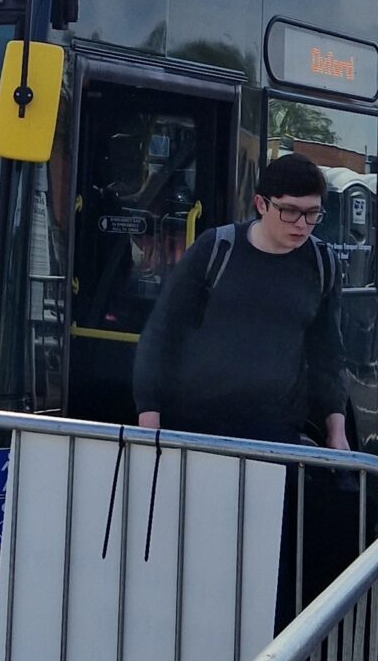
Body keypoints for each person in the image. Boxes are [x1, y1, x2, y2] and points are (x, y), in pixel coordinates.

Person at [132, 152, 349, 451]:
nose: (302, 224)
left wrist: (337, 431)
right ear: (261, 204)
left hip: (276, 432)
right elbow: (162, 331)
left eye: (313, 213)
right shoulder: (215, 249)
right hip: (194, 425)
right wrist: (149, 417)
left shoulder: (323, 264)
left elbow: (328, 354)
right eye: (289, 211)